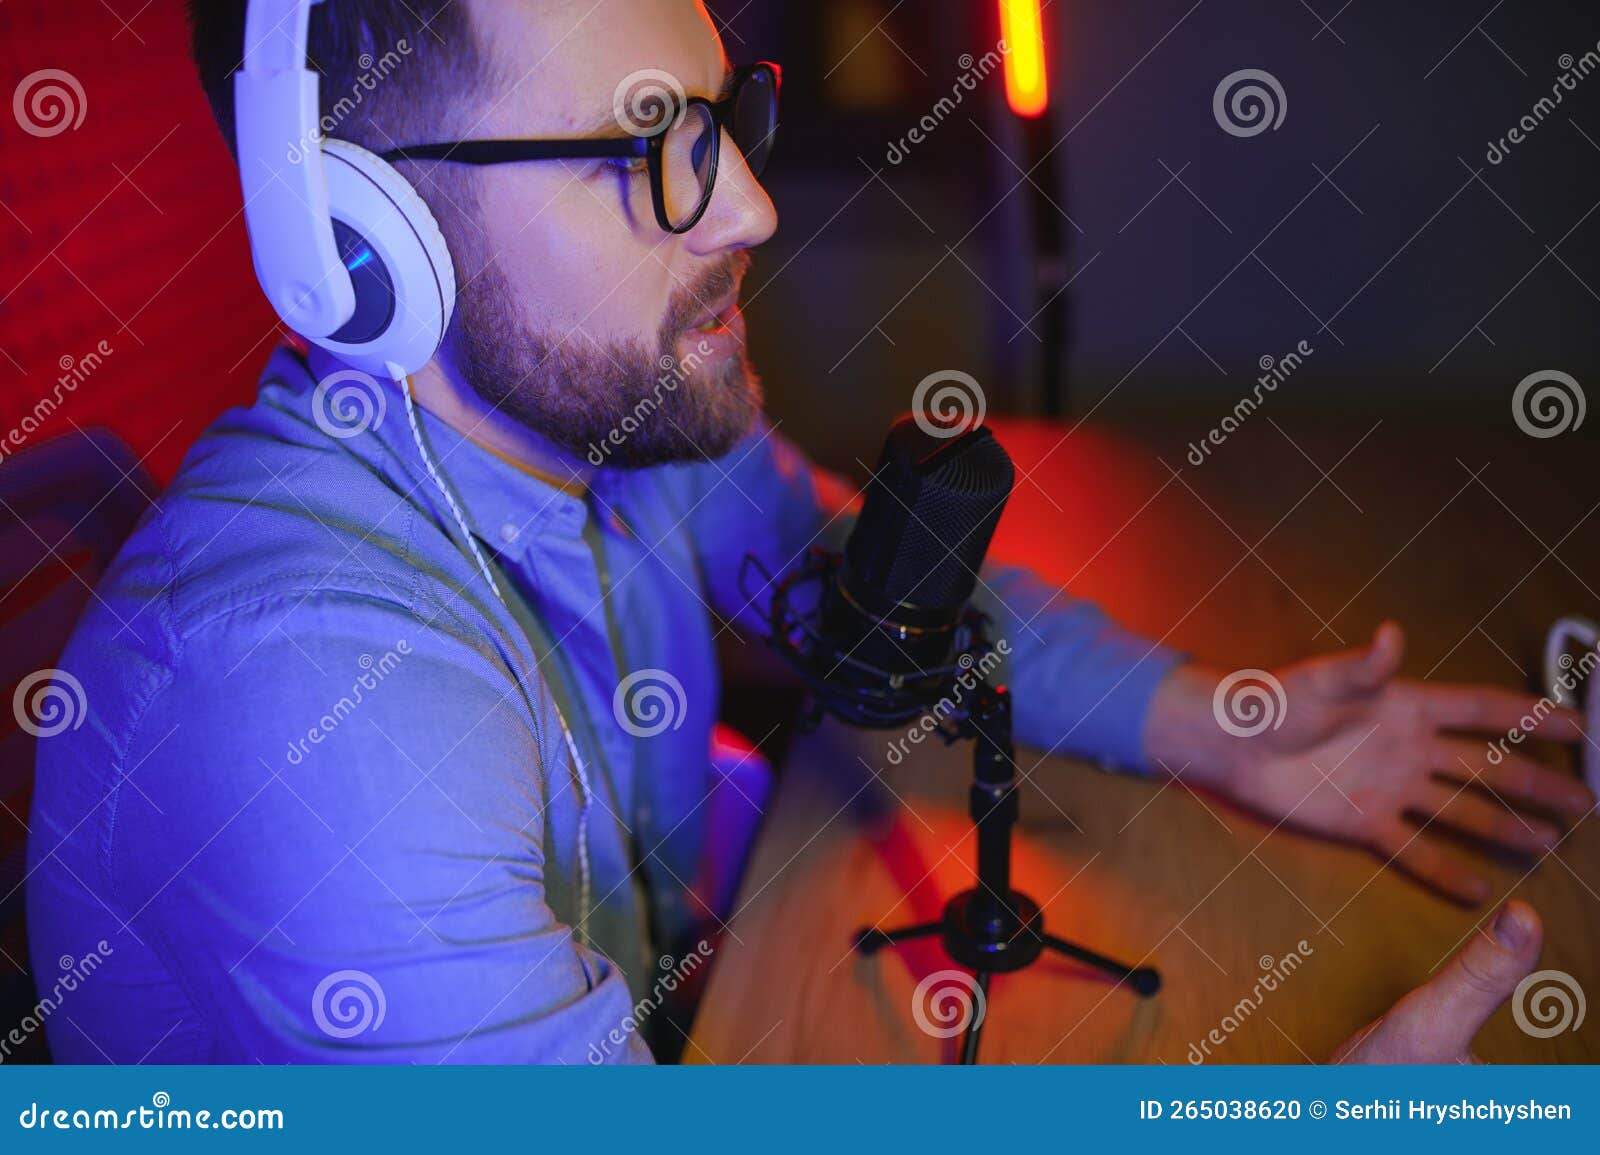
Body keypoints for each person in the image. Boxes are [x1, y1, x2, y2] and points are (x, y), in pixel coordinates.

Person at [26, 0, 1592, 1064]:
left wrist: (1214, 726)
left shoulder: (618, 424)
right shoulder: (307, 705)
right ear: (365, 241)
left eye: (724, 119)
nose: (751, 209)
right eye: (647, 146)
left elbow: (872, 574)